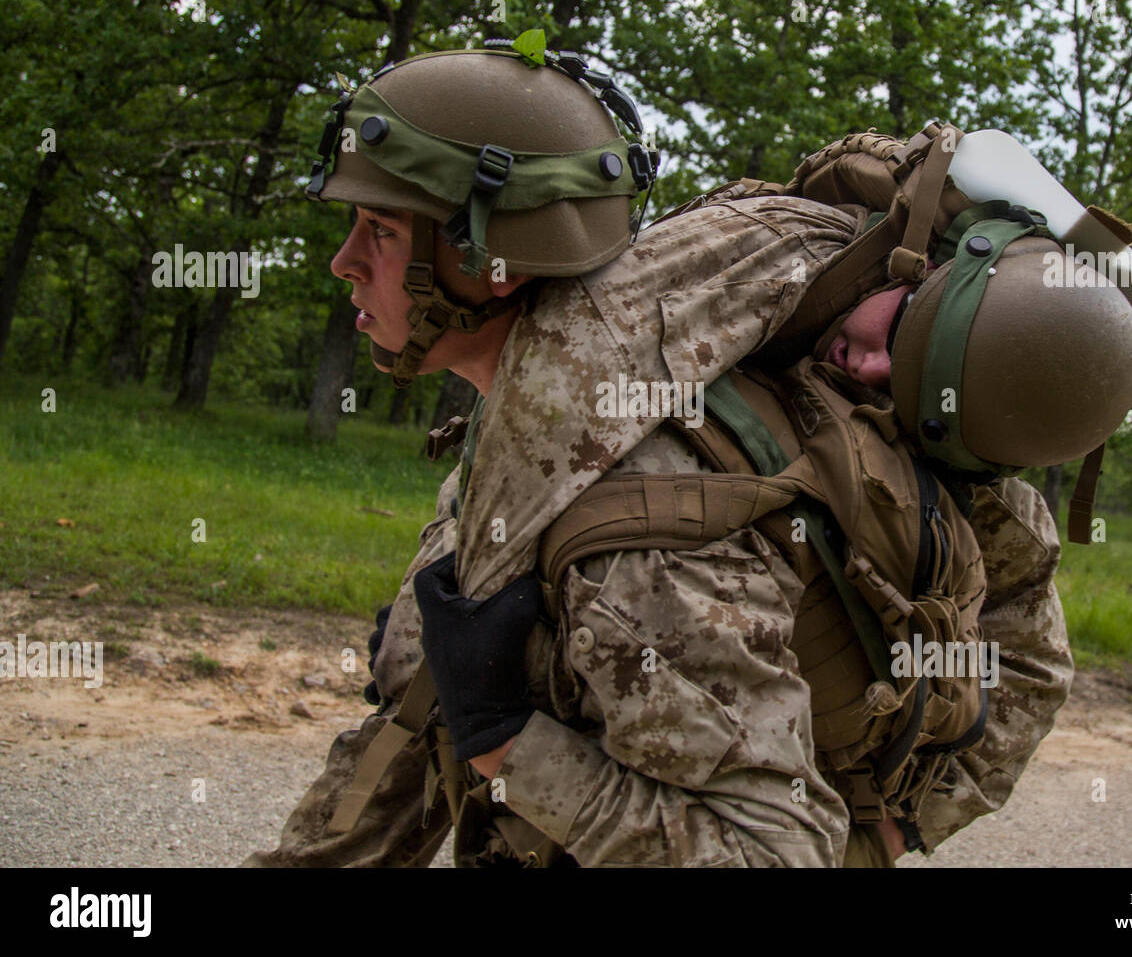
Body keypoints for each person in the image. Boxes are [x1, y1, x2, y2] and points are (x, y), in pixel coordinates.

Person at [243, 44, 1088, 868]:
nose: (343, 262)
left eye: (380, 231)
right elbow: (412, 734)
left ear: (483, 263)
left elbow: (770, 848)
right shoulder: (537, 442)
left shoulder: (636, 527)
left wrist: (508, 746)